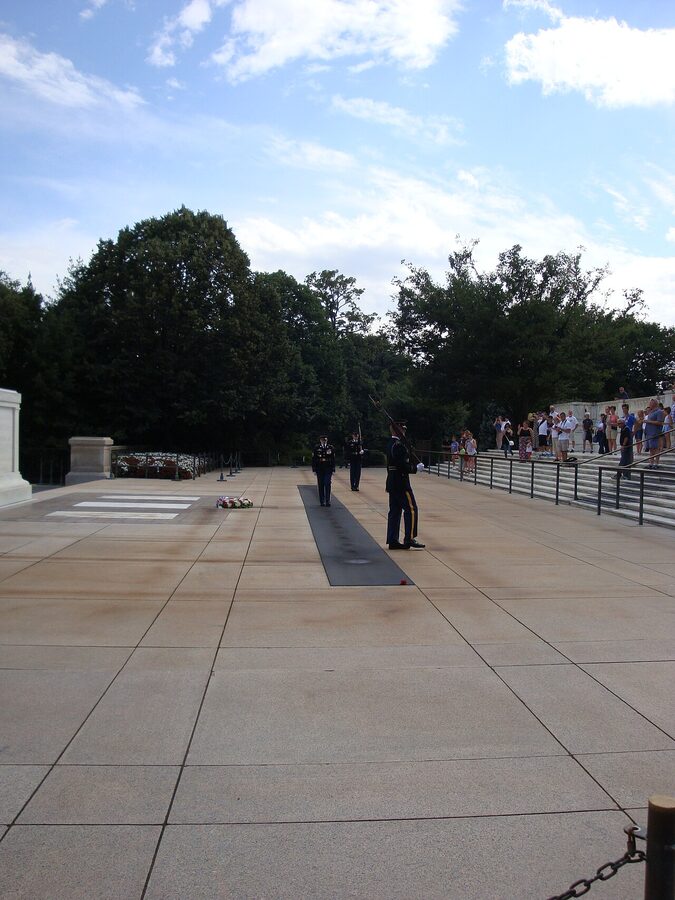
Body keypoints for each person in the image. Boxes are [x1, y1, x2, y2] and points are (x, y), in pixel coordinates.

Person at [386, 421, 425, 550]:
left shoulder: (390, 443)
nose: (404, 432)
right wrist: (415, 468)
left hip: (392, 482)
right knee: (411, 509)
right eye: (402, 429)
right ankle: (409, 538)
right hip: (401, 483)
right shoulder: (398, 445)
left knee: (395, 512)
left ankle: (392, 540)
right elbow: (402, 465)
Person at [311, 433, 335, 506]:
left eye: (325, 440)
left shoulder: (330, 447)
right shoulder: (316, 448)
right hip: (320, 468)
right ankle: (322, 501)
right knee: (321, 484)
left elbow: (333, 458)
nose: (324, 441)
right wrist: (314, 469)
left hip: (328, 468)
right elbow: (314, 459)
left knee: (327, 483)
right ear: (320, 440)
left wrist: (333, 468)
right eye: (322, 440)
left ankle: (328, 501)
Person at [644, 398, 665, 469]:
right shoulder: (651, 412)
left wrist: (648, 421)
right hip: (649, 433)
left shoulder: (659, 412)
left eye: (650, 403)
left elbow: (660, 422)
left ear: (654, 403)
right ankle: (651, 463)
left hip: (655, 433)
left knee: (656, 449)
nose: (649, 404)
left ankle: (656, 464)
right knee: (651, 449)